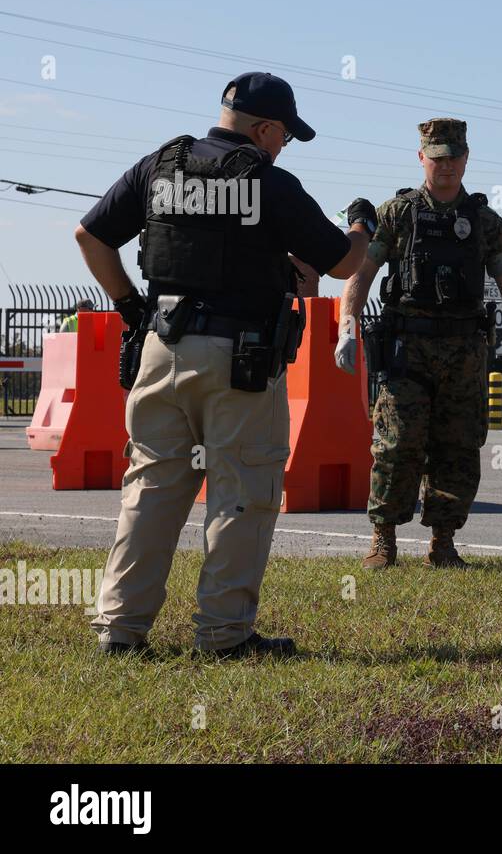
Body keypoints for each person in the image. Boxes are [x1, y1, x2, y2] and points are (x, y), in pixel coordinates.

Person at [76, 72, 373, 657]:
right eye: (284, 135)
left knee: (152, 486)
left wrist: (132, 309)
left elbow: (90, 236)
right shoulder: (268, 181)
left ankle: (120, 631)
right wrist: (362, 222)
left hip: (161, 350)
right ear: (263, 128)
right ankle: (223, 635)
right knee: (243, 491)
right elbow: (342, 265)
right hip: (240, 360)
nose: (283, 146)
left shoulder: (161, 164)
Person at [335, 118, 502, 570]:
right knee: (396, 443)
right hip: (407, 348)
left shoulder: (485, 222)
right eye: (437, 157)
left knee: (458, 446)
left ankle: (443, 543)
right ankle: (383, 541)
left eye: (454, 157)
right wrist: (348, 324)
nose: (446, 166)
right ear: (421, 157)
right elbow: (362, 273)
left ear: (466, 159)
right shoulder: (397, 213)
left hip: (465, 351)